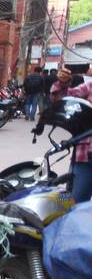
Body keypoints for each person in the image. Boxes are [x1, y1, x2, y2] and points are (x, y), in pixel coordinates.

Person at [50, 57, 92, 203]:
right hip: (86, 155)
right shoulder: (90, 86)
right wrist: (63, 83)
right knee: (72, 199)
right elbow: (63, 98)